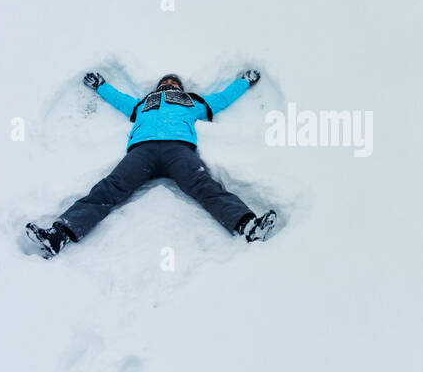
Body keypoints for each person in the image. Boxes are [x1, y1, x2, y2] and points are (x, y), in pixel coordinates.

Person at [25, 70, 276, 258]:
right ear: (157, 87)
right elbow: (119, 99)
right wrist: (101, 86)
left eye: (173, 82)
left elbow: (222, 98)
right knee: (110, 187)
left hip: (178, 149)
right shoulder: (142, 104)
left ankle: (247, 225)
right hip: (142, 152)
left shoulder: (192, 103)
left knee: (203, 184)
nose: (169, 84)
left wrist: (244, 81)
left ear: (180, 87)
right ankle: (59, 235)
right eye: (165, 82)